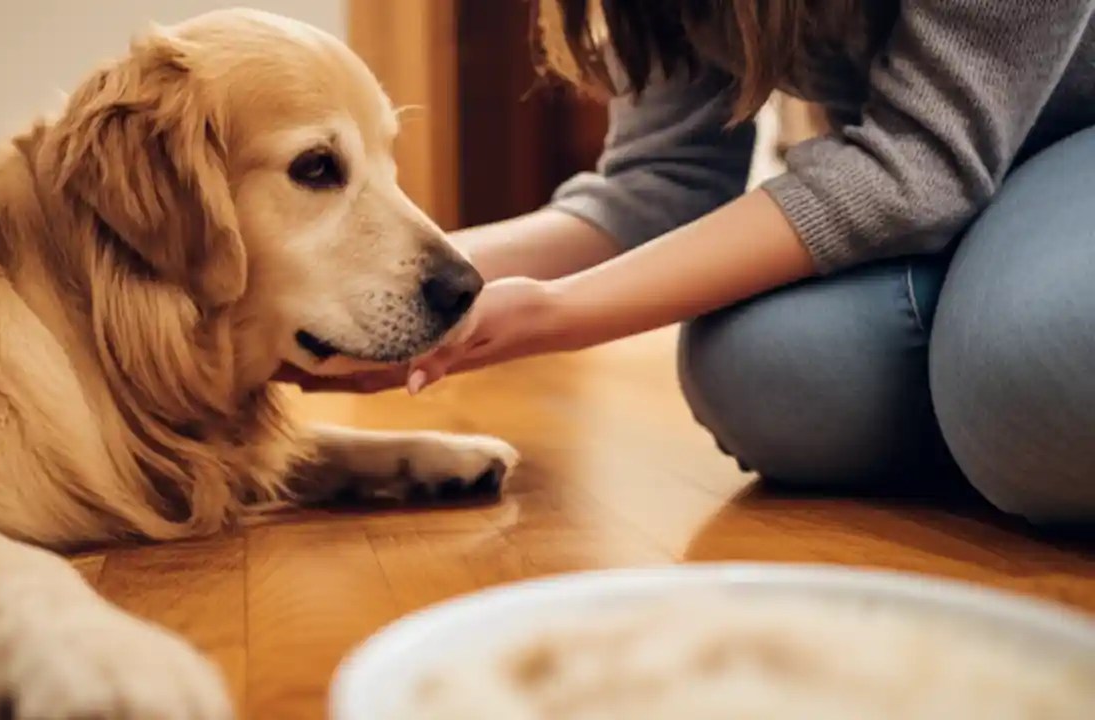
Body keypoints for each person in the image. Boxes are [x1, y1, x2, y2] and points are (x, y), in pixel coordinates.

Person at [281, 0, 1095, 525]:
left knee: (1030, 372)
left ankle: (1004, 379)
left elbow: (916, 163)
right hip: (946, 184)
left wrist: (557, 316)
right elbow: (659, 182)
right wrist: (417, 294)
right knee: (762, 373)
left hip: (1054, 148)